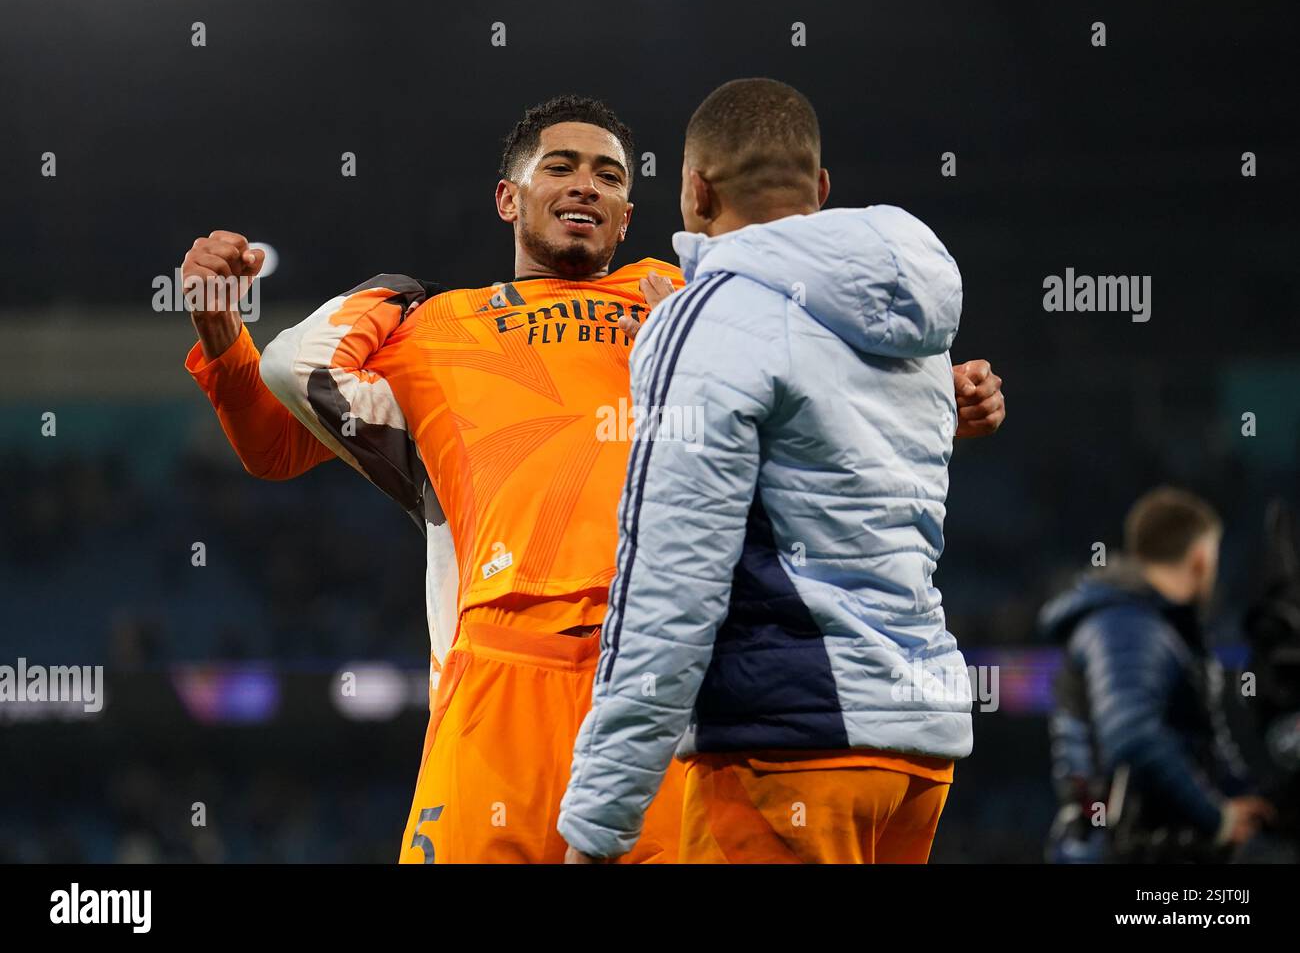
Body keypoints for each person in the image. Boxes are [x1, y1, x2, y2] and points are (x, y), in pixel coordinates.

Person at [182, 94, 1003, 863]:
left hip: (673, 681)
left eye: (609, 176)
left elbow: (832, 411)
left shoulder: (693, 299)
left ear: (631, 213)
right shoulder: (430, 323)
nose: (587, 185)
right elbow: (272, 444)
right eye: (562, 166)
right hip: (500, 677)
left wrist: (937, 400)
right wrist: (225, 324)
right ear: (509, 198)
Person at [558, 78, 979, 864]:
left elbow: (671, 580)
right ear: (819, 189)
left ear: (694, 189)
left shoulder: (710, 318)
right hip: (916, 756)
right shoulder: (917, 327)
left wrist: (599, 819)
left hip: (787, 749)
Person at [1040, 485, 1275, 862]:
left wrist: (1250, 798)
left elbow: (1195, 742)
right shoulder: (1127, 625)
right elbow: (1132, 736)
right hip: (1124, 852)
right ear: (1200, 559)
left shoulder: (1148, 626)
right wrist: (1216, 818)